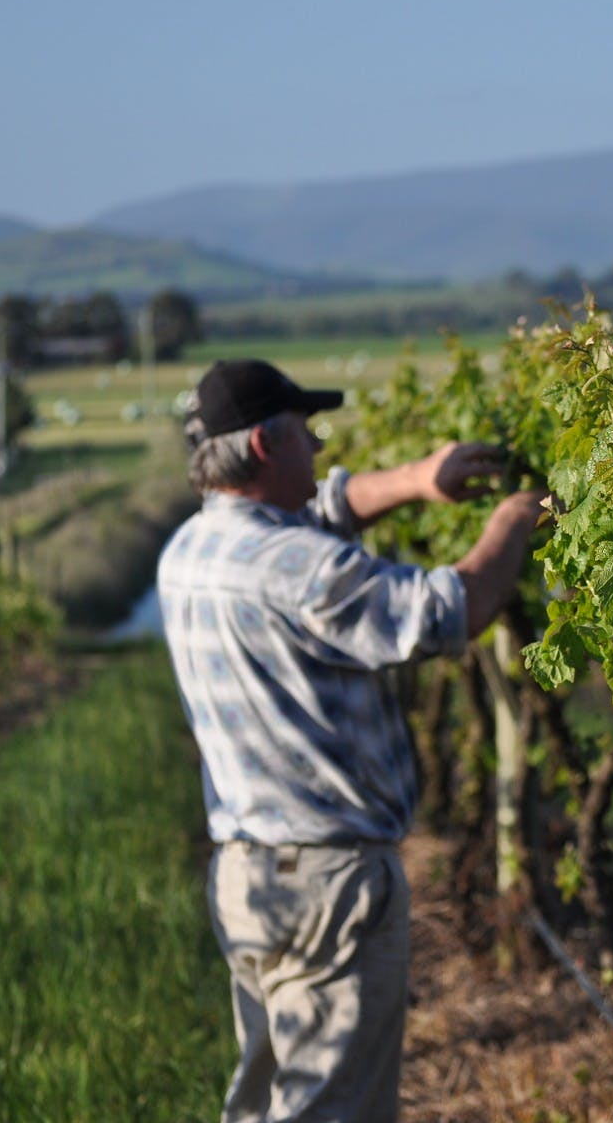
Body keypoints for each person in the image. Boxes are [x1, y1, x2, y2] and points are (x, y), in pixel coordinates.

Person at [158, 358, 545, 1123]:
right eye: (307, 430)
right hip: (328, 891)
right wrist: (520, 515)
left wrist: (416, 478)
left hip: (252, 880)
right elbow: (449, 610)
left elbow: (320, 516)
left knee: (269, 1100)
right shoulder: (297, 569)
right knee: (333, 1112)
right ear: (267, 446)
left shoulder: (190, 553)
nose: (320, 444)